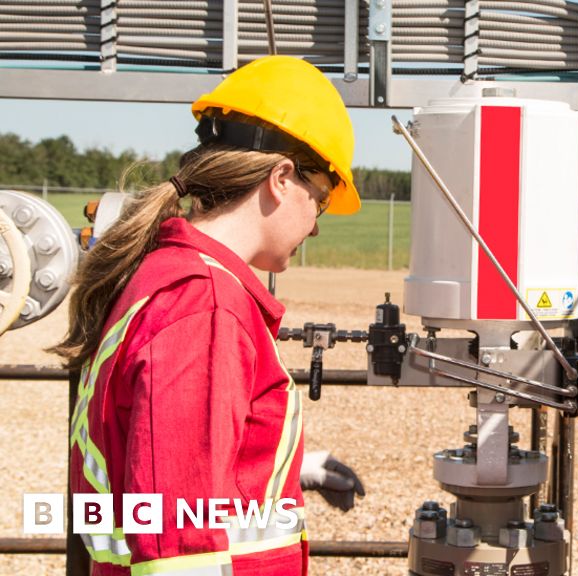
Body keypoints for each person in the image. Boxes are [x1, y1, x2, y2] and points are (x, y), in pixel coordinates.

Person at [53, 55, 365, 575]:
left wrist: (292, 470)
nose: (315, 227)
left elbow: (163, 462)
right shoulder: (205, 305)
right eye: (322, 200)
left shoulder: (167, 276)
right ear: (282, 178)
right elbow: (178, 541)